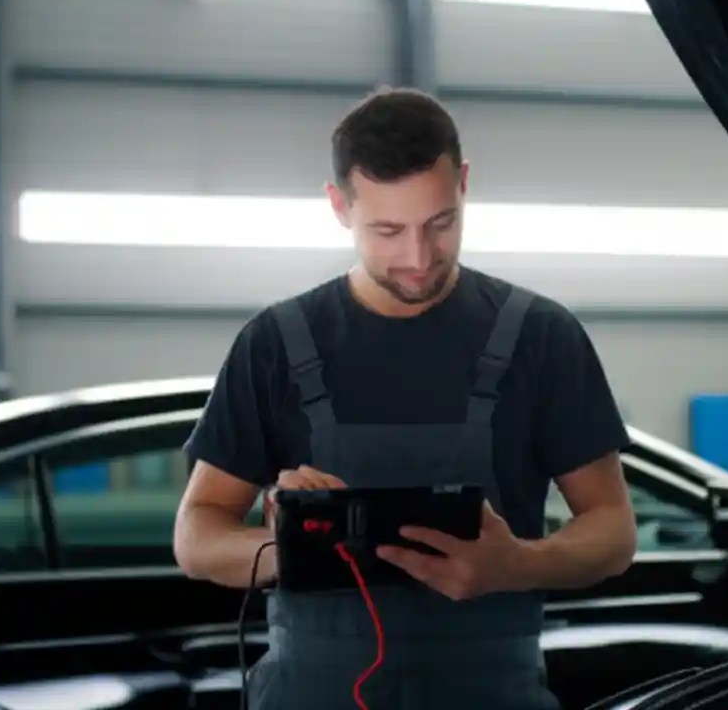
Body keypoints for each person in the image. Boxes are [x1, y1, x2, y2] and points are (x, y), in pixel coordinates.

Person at [172, 86, 638, 710]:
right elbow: (196, 537)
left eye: (440, 223)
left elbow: (613, 531)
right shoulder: (274, 346)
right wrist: (292, 549)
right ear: (339, 205)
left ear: (464, 183)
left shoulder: (541, 338)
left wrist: (514, 566)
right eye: (387, 230)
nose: (418, 258)